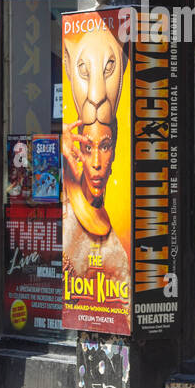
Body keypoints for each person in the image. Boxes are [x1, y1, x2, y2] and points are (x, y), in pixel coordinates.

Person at [60, 24, 129, 287]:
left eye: (105, 146)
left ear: (115, 153)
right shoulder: (63, 200)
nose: (97, 164)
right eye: (88, 148)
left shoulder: (115, 252)